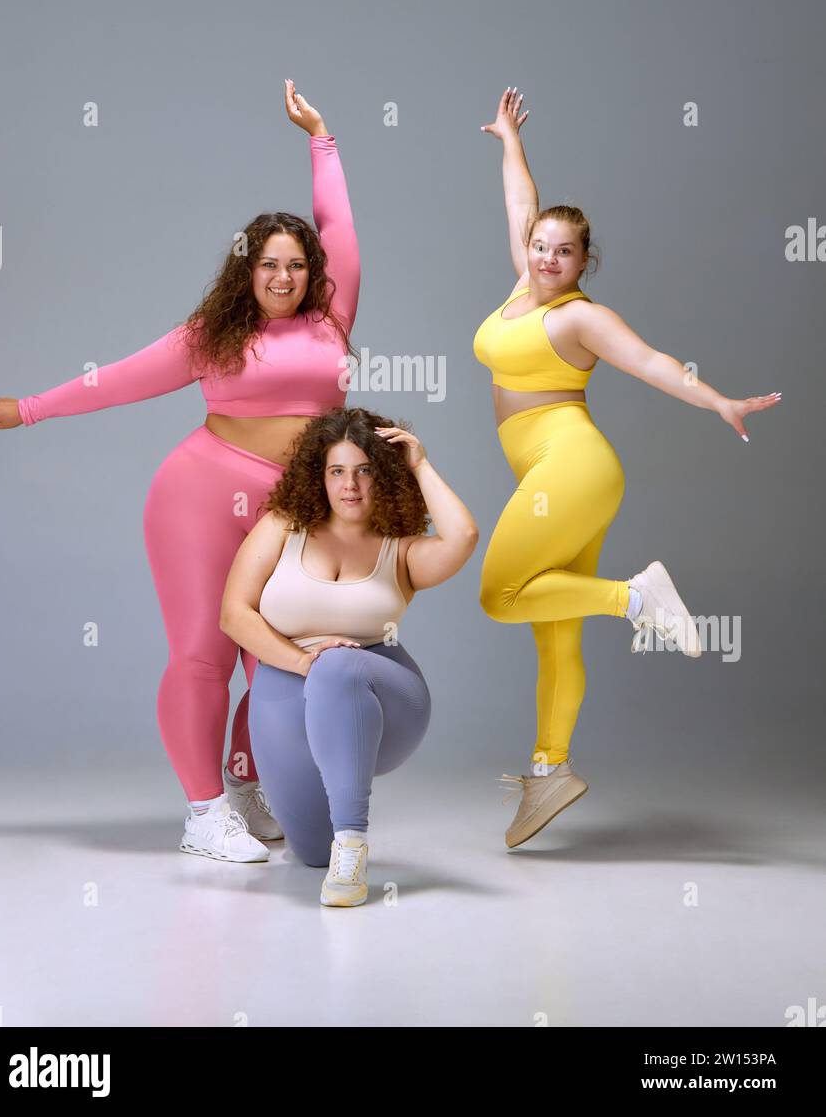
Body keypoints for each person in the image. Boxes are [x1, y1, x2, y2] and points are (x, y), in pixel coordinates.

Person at [0, 80, 362, 864]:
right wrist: (32, 406)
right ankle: (202, 810)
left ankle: (248, 784)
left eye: (295, 266)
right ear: (245, 270)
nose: (282, 277)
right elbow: (114, 377)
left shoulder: (332, 318)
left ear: (312, 273)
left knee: (281, 661)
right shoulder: (210, 335)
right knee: (204, 653)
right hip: (199, 496)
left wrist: (321, 139)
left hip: (293, 508)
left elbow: (341, 228)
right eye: (267, 265)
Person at [473, 86, 781, 849]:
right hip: (555, 477)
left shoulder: (578, 315)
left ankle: (635, 598)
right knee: (553, 631)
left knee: (500, 595)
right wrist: (509, 139)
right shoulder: (522, 286)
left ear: (584, 261)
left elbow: (651, 363)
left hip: (569, 468)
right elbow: (521, 206)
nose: (545, 257)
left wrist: (718, 401)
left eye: (562, 251)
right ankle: (549, 770)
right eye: (541, 246)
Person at [219, 406, 479, 906]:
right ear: (319, 477)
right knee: (311, 853)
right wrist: (301, 662)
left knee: (338, 665)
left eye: (364, 470)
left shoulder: (400, 551)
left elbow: (463, 537)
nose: (350, 485)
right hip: (283, 696)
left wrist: (420, 464)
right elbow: (235, 614)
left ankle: (353, 844)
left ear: (383, 476)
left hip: (384, 700)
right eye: (337, 471)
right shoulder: (283, 526)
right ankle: (335, 846)